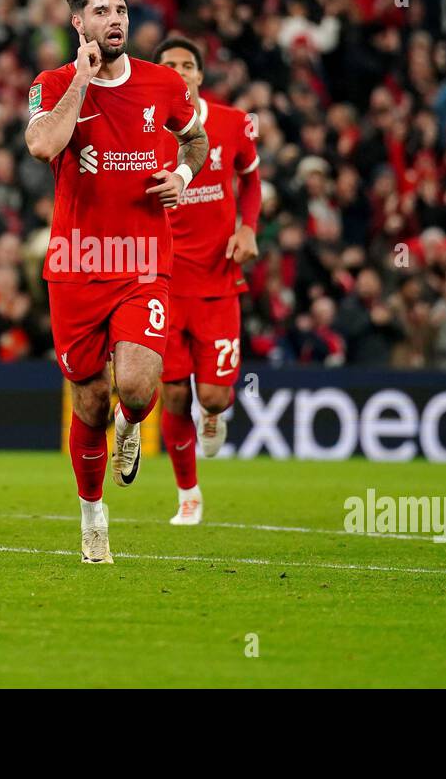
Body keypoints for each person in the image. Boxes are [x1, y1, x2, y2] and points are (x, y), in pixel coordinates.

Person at [25, 0, 208, 563]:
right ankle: (92, 516)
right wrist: (81, 76)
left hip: (143, 264)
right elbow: (42, 146)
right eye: (101, 10)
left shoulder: (163, 84)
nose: (115, 19)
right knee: (90, 403)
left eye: (121, 9)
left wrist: (181, 177)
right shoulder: (52, 83)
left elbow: (196, 140)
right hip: (76, 266)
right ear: (78, 23)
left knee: (134, 386)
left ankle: (133, 426)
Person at [153, 36, 260, 525]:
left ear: (198, 75)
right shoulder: (142, 128)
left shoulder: (233, 123)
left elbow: (251, 178)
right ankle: (188, 494)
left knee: (212, 395)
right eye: (169, 65)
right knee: (173, 395)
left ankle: (214, 415)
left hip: (218, 279)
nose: (179, 71)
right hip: (162, 282)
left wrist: (247, 227)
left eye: (187, 64)